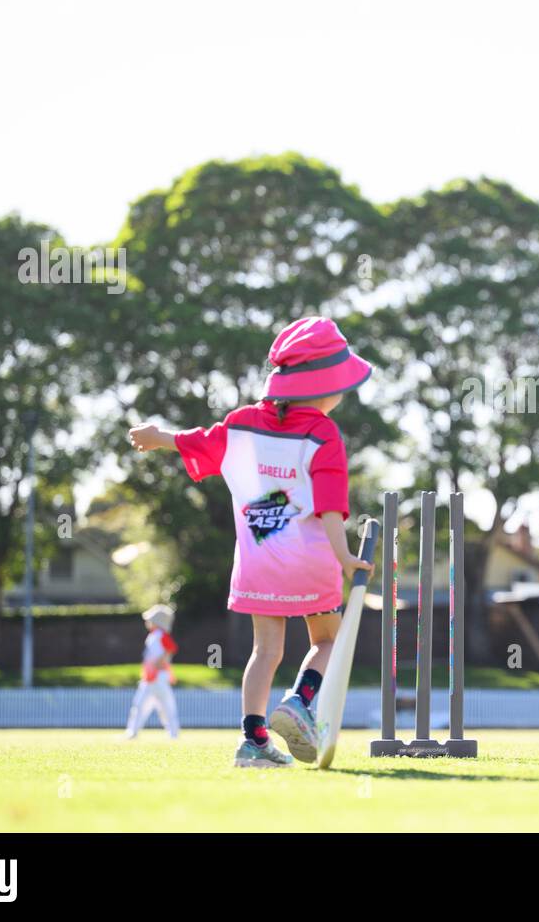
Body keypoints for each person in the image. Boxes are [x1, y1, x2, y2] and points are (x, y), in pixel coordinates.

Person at [127, 316, 374, 768]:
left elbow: (194, 439)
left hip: (258, 564)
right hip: (310, 562)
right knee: (326, 641)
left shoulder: (241, 425)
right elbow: (332, 505)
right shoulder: (323, 435)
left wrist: (154, 436)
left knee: (266, 650)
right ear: (324, 387)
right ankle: (299, 702)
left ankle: (253, 741)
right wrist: (345, 557)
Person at [123, 604, 181, 739]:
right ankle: (132, 731)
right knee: (140, 704)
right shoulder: (153, 635)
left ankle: (173, 733)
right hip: (150, 678)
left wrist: (161, 662)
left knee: (166, 706)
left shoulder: (161, 635)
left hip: (159, 677)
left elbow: (171, 648)